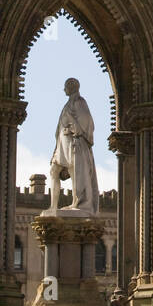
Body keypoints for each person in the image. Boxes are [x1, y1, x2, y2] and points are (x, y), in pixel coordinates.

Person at [49, 77, 99, 214]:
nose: (63, 89)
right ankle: (53, 206)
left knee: (75, 171)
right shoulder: (69, 103)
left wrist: (73, 130)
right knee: (54, 170)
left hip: (74, 143)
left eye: (65, 86)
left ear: (71, 87)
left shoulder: (79, 102)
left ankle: (78, 202)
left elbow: (87, 123)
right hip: (62, 144)